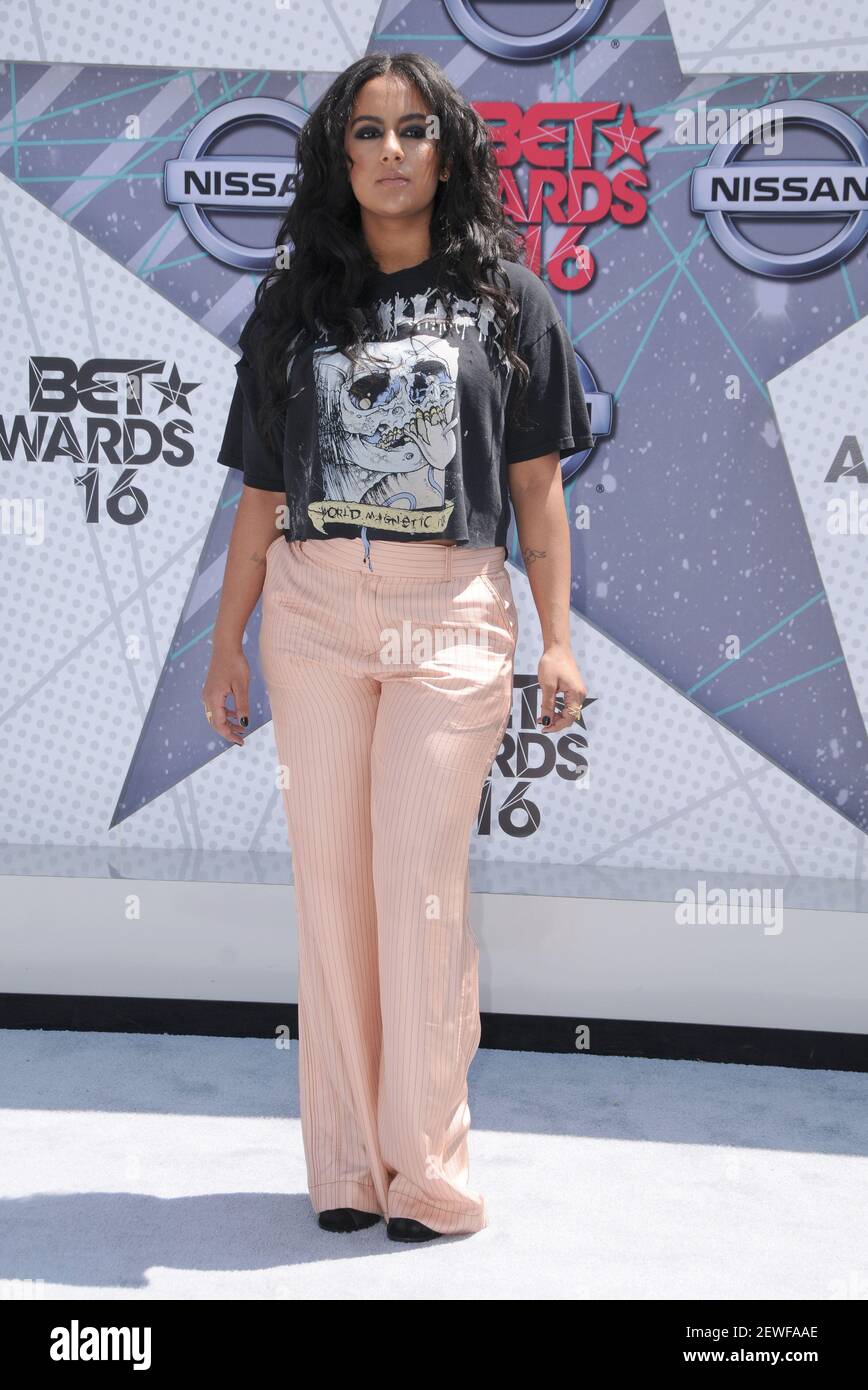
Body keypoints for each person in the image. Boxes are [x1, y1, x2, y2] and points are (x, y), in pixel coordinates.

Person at [204, 51, 592, 1243]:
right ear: (339, 154)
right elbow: (258, 497)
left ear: (446, 151)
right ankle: (343, 1164)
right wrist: (226, 647)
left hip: (449, 614)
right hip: (314, 614)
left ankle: (424, 1170)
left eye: (412, 129)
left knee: (417, 890)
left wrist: (558, 643)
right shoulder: (293, 307)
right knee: (330, 889)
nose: (389, 151)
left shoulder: (509, 301)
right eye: (366, 132)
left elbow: (537, 494)